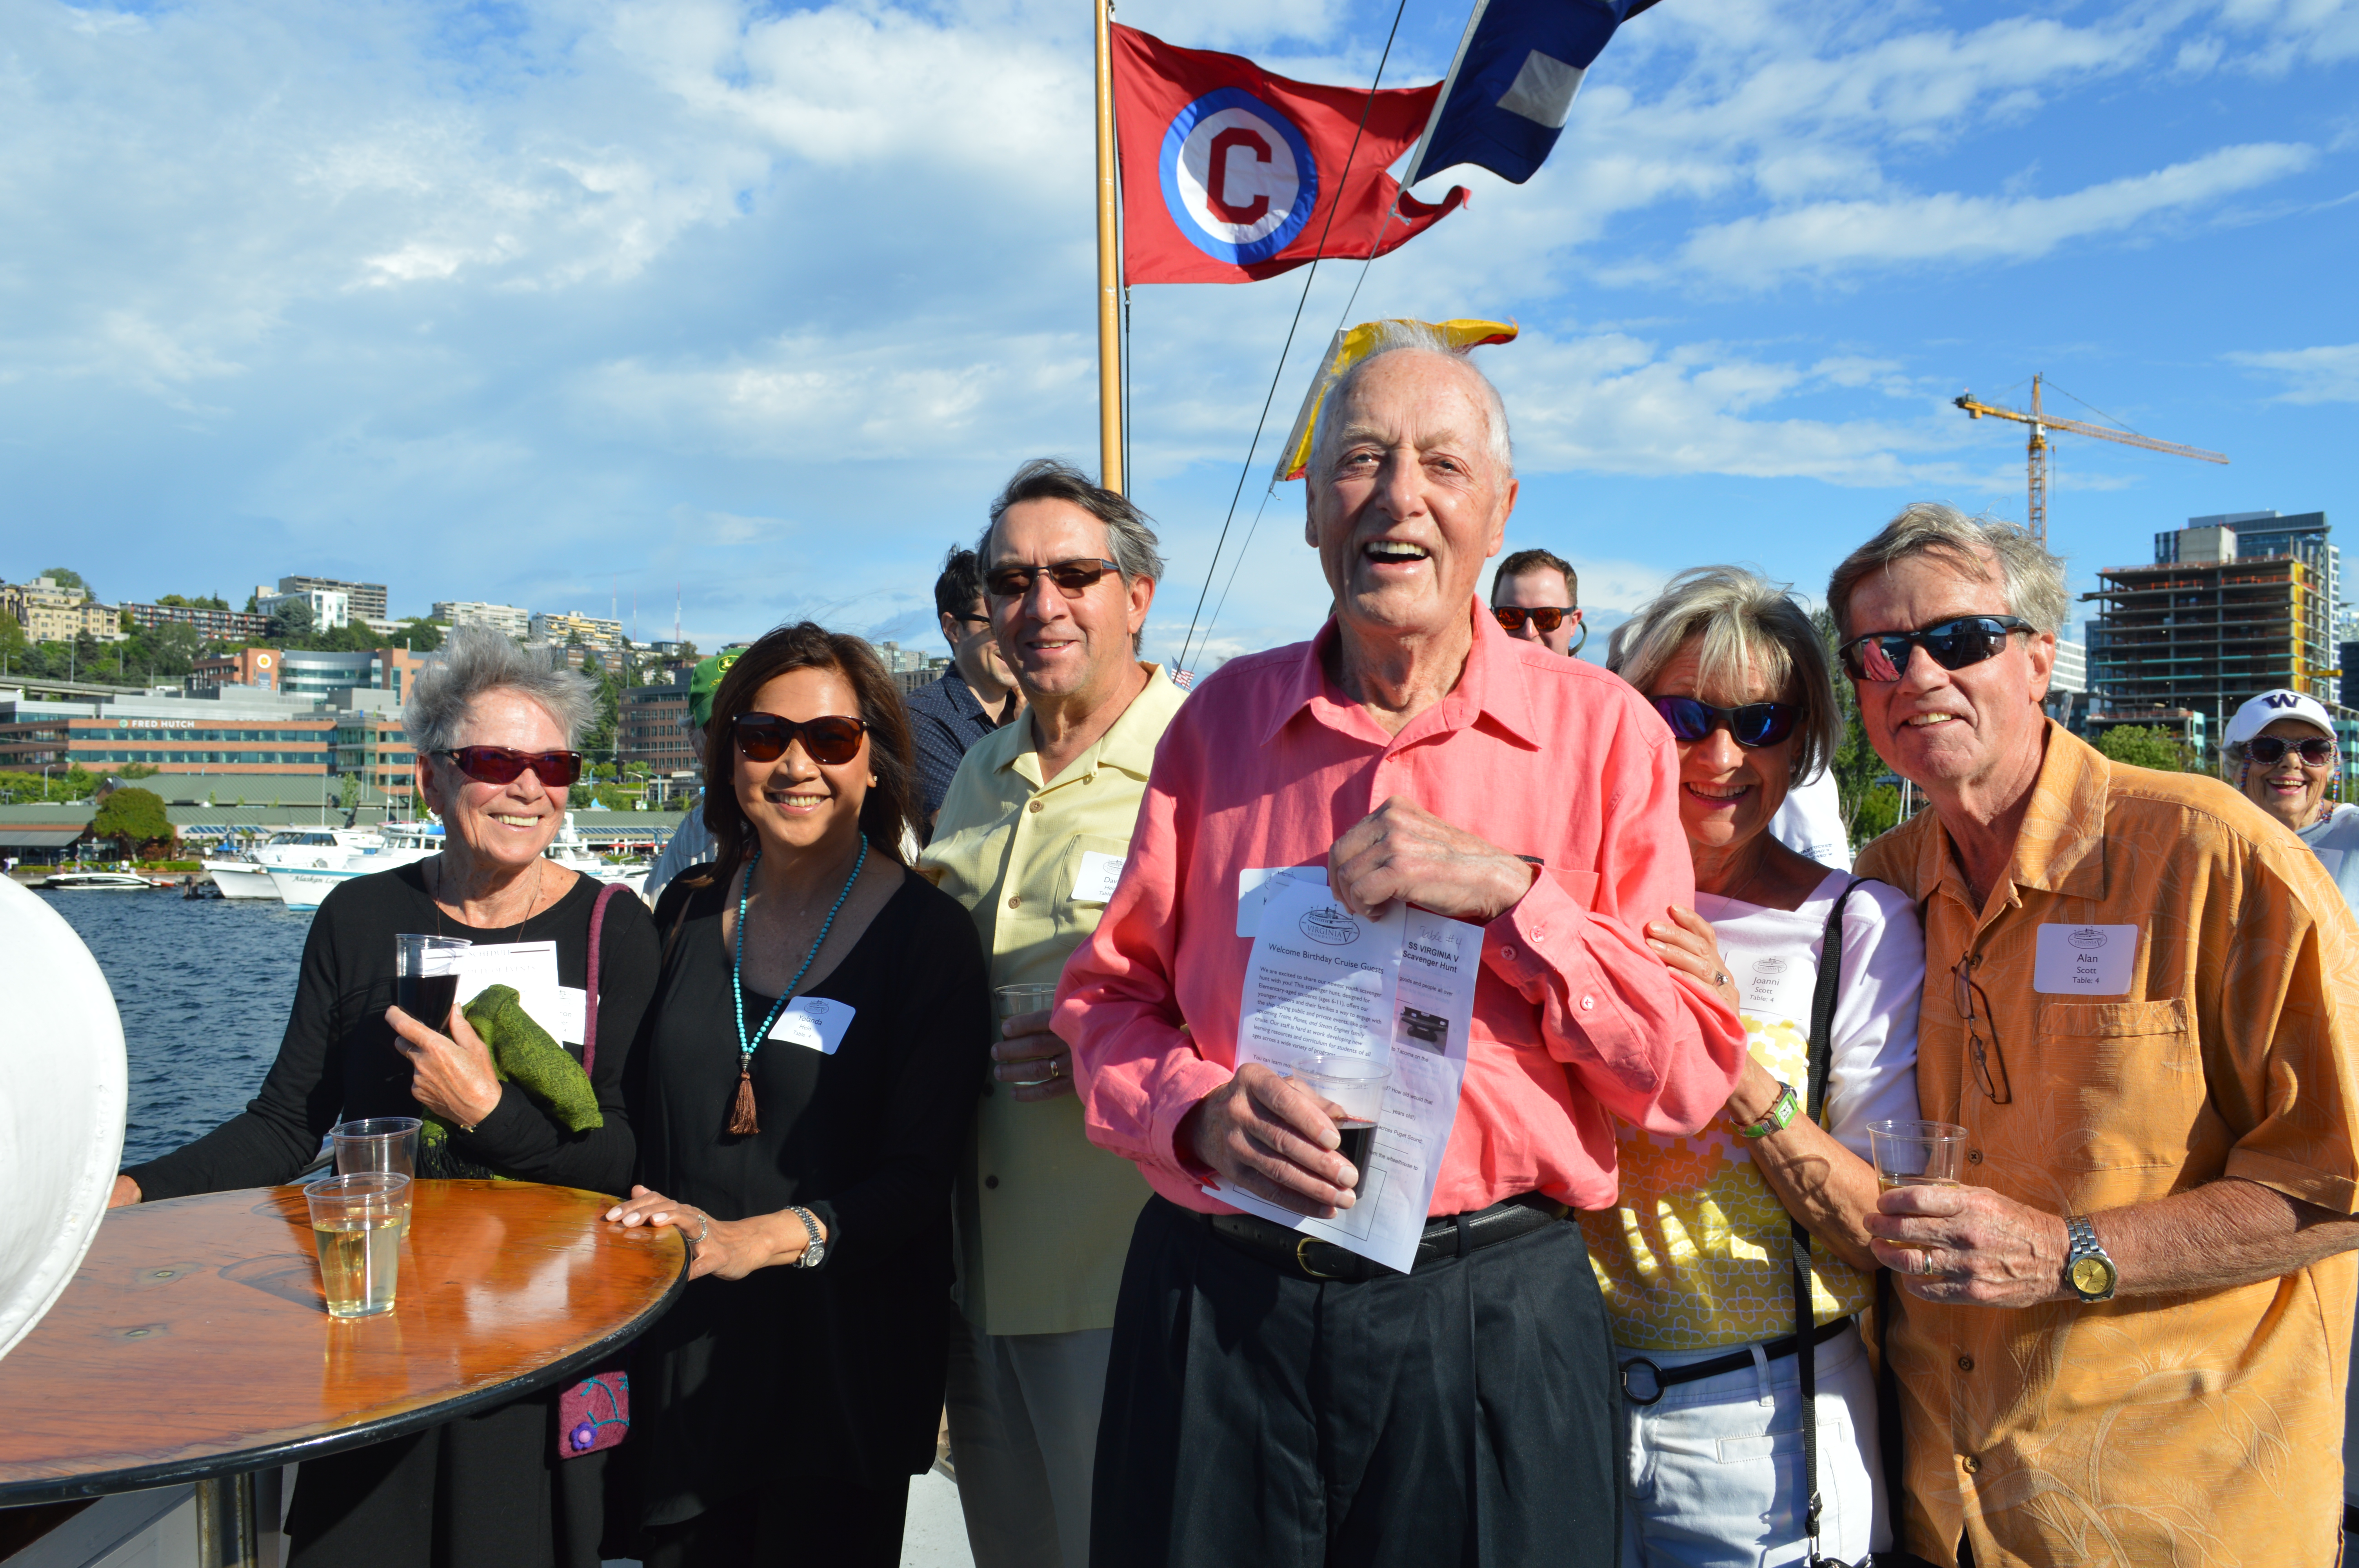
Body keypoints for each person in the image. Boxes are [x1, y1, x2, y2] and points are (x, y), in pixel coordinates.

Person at [1057, 324, 1747, 1567]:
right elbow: (1104, 1004)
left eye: (1440, 464)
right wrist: (1197, 1114)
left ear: (1499, 511)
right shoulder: (1216, 724)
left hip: (1488, 1312)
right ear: (1315, 508)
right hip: (1222, 1300)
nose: (1398, 497)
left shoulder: (1606, 736)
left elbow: (1686, 1073)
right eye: (1360, 460)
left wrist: (1512, 896)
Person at [1834, 504, 2359, 1566]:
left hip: (2176, 1511)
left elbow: (2341, 1178)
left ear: (2037, 658)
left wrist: (2070, 1255)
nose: (1917, 674)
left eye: (1960, 640)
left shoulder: (2215, 857)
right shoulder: (1878, 892)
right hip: (1944, 1509)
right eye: (1880, 650)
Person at [109, 625, 661, 1568]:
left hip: (538, 1342)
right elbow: (287, 1125)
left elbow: (623, 1162)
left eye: (554, 763)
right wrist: (126, 1194)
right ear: (430, 777)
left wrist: (488, 1114)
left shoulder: (615, 929)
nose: (529, 786)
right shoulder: (359, 919)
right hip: (377, 1334)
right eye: (495, 759)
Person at [605, 622, 990, 1566]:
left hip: (841, 1368)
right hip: (681, 1347)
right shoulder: (685, 910)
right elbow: (628, 1118)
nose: (794, 765)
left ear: (873, 763)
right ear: (729, 755)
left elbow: (916, 1178)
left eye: (829, 740)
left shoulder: (928, 936)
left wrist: (752, 1243)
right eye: (762, 736)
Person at [1597, 566, 1923, 1565]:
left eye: (1763, 723)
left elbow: (1881, 1226)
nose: (1722, 754)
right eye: (1682, 715)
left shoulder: (1849, 926)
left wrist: (1725, 1055)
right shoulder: (1576, 905)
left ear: (1805, 742)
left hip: (1761, 1432)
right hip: (1559, 1397)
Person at [916, 459, 1185, 1568]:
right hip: (975, 1275)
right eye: (1013, 580)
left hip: (1124, 1276)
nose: (1042, 605)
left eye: (1074, 574)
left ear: (1138, 596)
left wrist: (1110, 1047)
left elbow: (1277, 1014)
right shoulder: (979, 771)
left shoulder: (1202, 763)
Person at [2221, 686, 2359, 1538]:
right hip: (2247, 1123)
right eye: (2267, 752)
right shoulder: (2209, 839)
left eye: (2309, 750)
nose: (2289, 768)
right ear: (2232, 763)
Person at [907, 543, 1027, 838]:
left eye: (1019, 622)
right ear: (953, 628)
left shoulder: (1037, 708)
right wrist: (1027, 739)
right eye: (994, 624)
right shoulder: (921, 718)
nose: (1010, 637)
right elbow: (964, 831)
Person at [642, 653, 734, 904]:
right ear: (698, 747)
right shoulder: (696, 831)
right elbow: (654, 915)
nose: (740, 740)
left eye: (760, 724)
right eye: (722, 728)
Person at [1489, 544, 1584, 656]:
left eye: (1546, 617)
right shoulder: (1471, 673)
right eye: (1512, 617)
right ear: (1491, 621)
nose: (1529, 633)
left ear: (1573, 623)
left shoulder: (1599, 674)